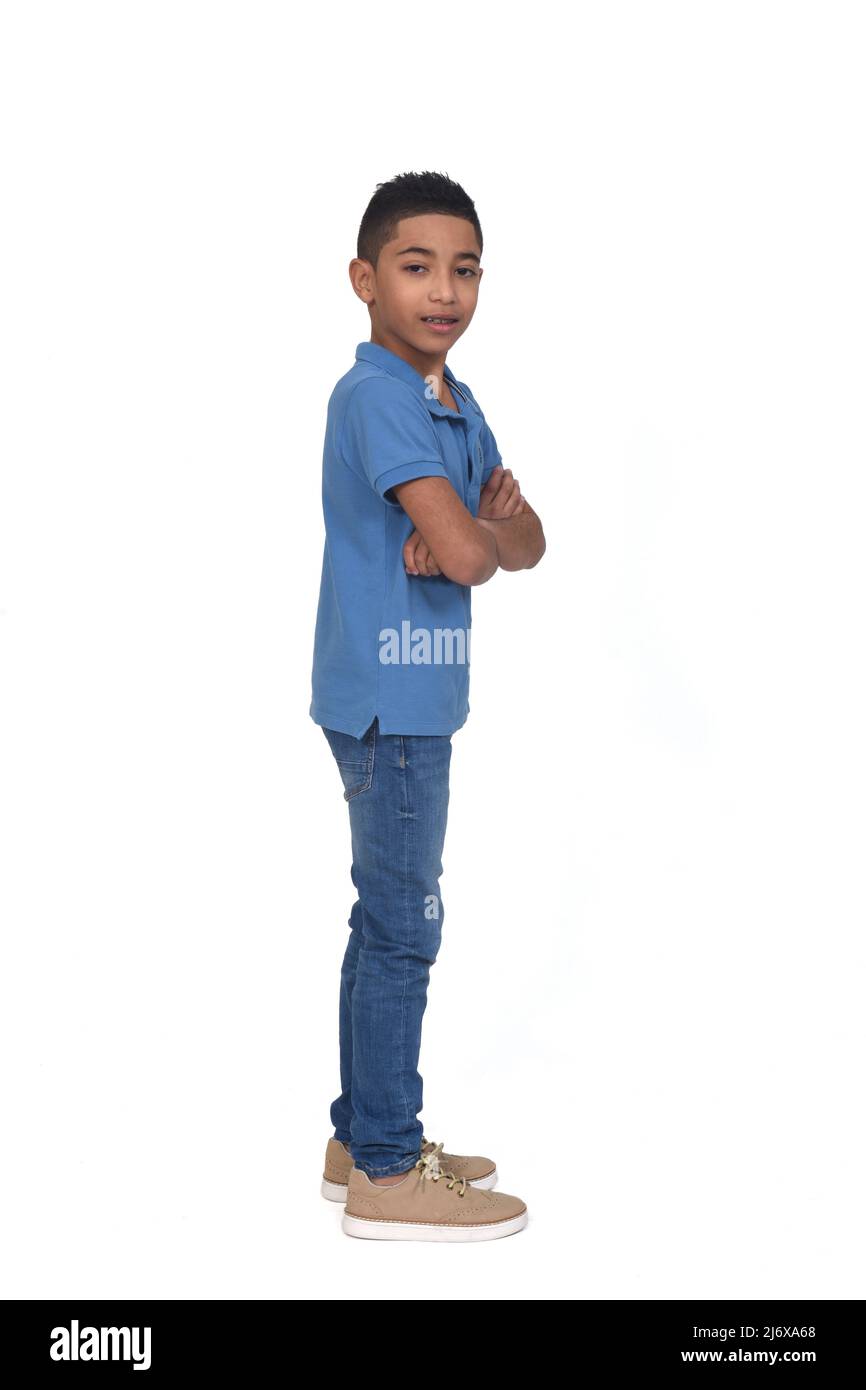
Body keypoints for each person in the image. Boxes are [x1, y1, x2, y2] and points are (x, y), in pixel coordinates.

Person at [310, 171, 546, 1241]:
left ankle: (361, 1137)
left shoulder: (454, 397)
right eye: (415, 266)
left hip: (416, 696)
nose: (443, 289)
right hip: (387, 703)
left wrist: (476, 537)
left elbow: (521, 539)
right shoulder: (377, 397)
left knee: (383, 922)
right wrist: (469, 541)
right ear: (365, 282)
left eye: (463, 268)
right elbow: (469, 549)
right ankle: (389, 1173)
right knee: (405, 929)